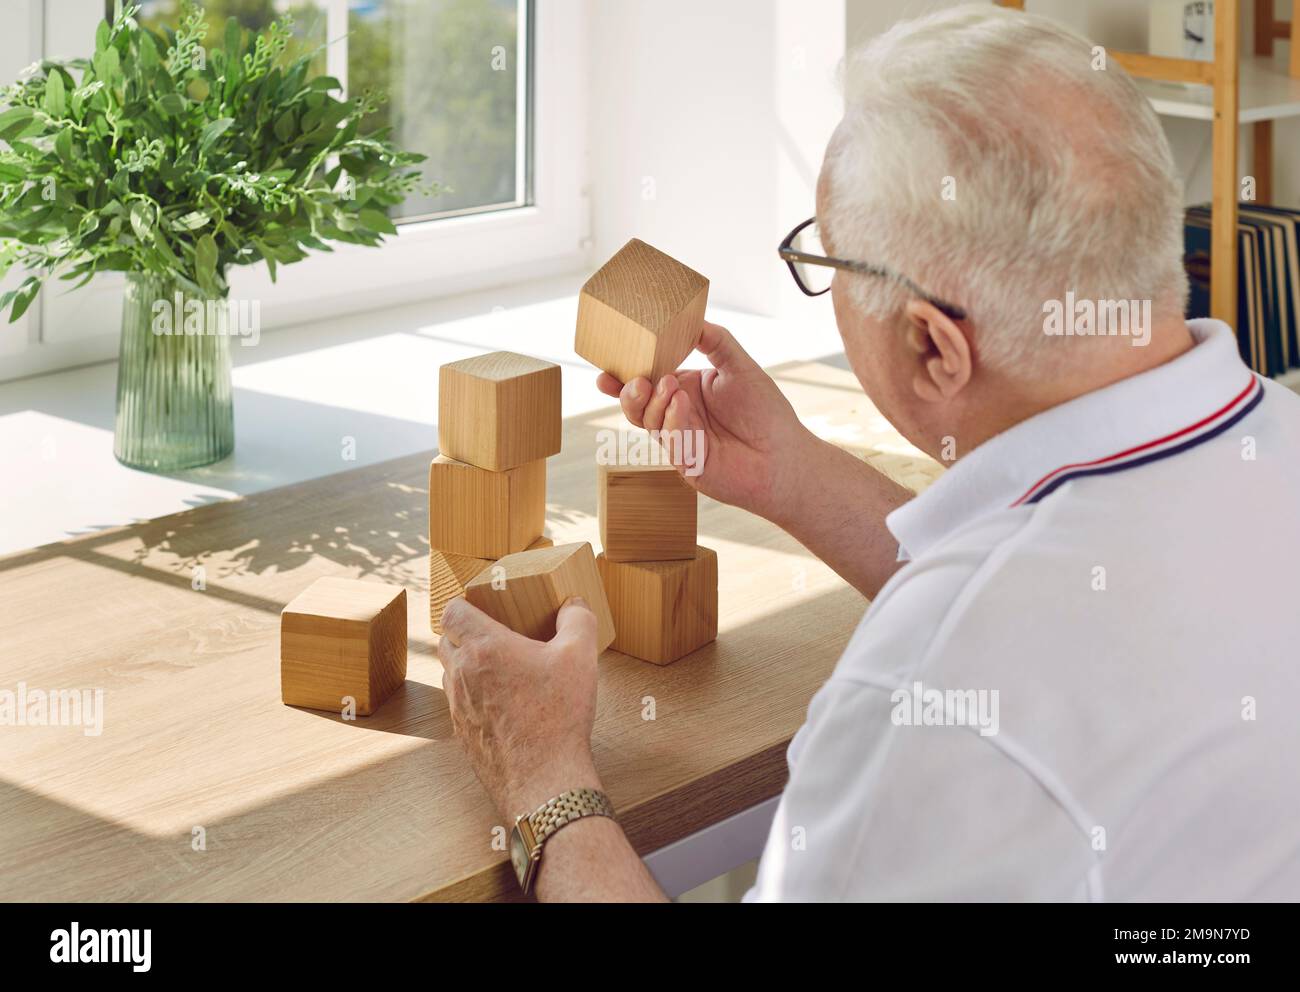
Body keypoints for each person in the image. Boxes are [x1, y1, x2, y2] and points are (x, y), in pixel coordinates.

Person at [437, 4, 1300, 901]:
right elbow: (1066, 603)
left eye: (830, 265)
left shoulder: (926, 700)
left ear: (934, 346)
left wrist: (544, 782)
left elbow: (998, 639)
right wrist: (794, 474)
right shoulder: (1269, 441)